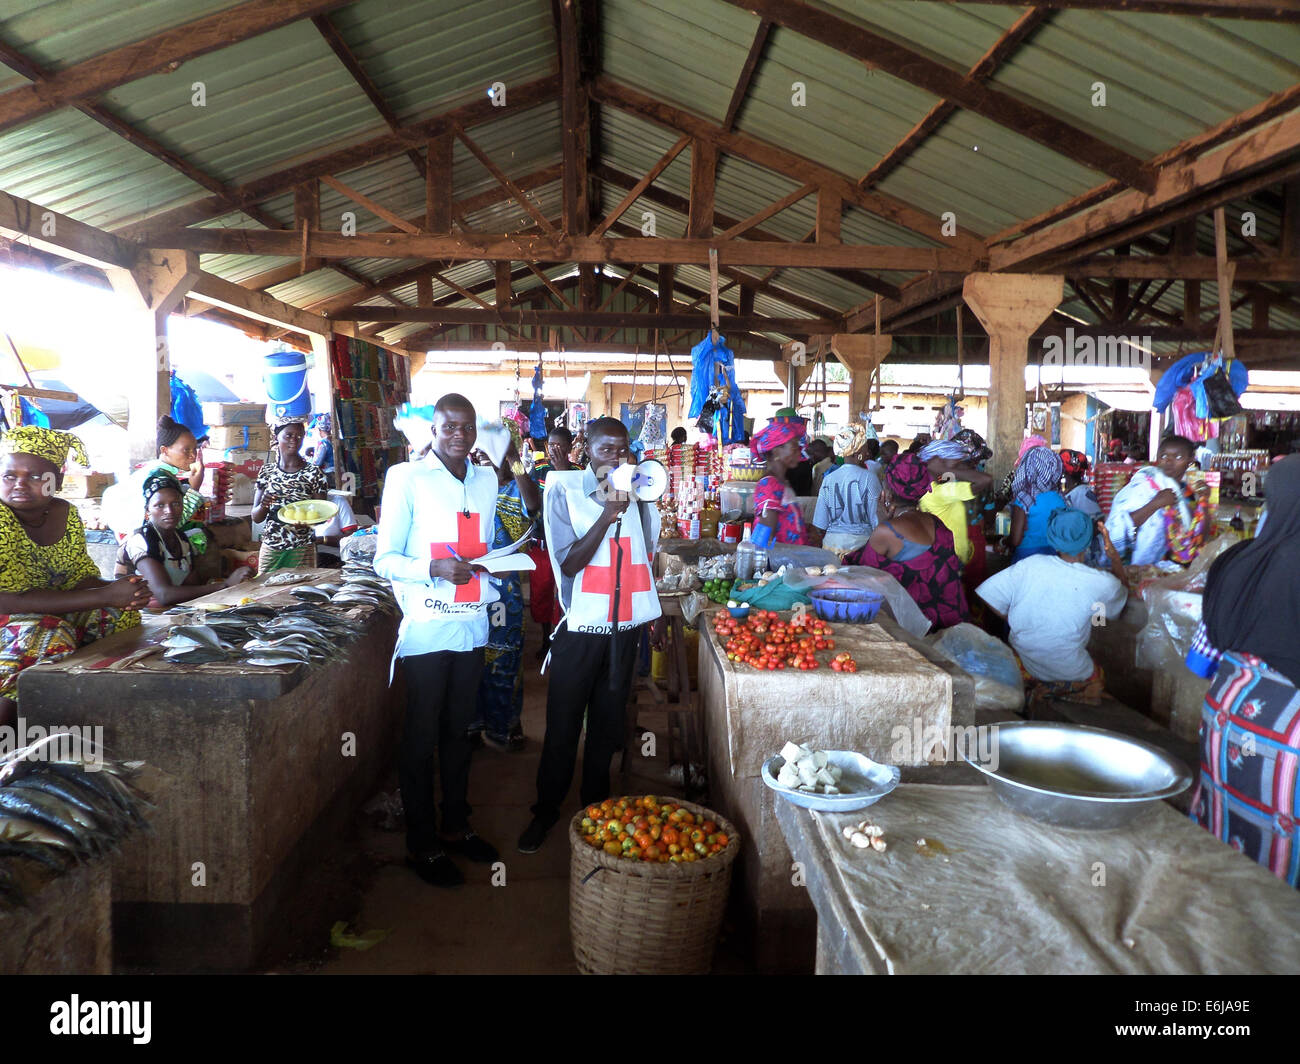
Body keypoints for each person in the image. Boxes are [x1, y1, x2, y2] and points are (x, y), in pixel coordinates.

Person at [518, 418, 666, 854]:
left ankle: (595, 812)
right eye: (606, 451)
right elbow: (567, 563)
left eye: (623, 451)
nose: (616, 460)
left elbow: (646, 558)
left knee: (605, 727)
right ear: (586, 448)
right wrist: (607, 514)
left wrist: (650, 616)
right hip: (581, 631)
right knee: (562, 726)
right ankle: (545, 811)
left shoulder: (642, 494)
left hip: (623, 633)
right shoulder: (565, 492)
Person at [374, 394, 501, 888]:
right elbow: (384, 559)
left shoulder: (487, 479)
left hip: (471, 623)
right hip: (428, 625)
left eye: (466, 427)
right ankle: (421, 844)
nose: (459, 435)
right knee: (421, 735)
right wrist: (432, 568)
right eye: (449, 426)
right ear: (433, 429)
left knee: (459, 732)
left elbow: (484, 546)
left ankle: (456, 825)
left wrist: (495, 564)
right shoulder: (407, 478)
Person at [1187, 456, 1300, 888]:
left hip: (1229, 718)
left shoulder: (1235, 560)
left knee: (1229, 836)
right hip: (1290, 738)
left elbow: (1200, 662)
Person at [0, 428, 150, 726]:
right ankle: (8, 727)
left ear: (55, 481)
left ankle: (88, 698)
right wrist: (104, 595)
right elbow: (9, 599)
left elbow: (77, 578)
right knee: (42, 635)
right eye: (9, 476)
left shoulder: (66, 514)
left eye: (34, 477)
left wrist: (122, 590)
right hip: (11, 614)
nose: (19, 484)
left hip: (45, 611)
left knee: (118, 617)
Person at [976, 507, 1127, 710]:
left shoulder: (1030, 565)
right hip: (1071, 671)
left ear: (1052, 538)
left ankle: (1033, 697)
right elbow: (1123, 594)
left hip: (1024, 666)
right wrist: (1115, 558)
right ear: (1088, 543)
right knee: (1098, 673)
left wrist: (1013, 619)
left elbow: (987, 594)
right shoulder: (1102, 582)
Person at [469, 419, 541, 752]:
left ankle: (504, 728)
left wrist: (513, 456)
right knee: (473, 657)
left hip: (503, 593)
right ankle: (475, 725)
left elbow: (534, 506)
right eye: (479, 451)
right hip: (469, 589)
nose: (483, 456)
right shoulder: (467, 486)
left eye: (490, 451)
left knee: (503, 659)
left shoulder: (516, 487)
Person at [845, 453, 968, 630]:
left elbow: (862, 576)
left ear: (887, 492)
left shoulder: (887, 531)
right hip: (948, 624)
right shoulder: (936, 522)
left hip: (912, 630)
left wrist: (881, 523)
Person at [115, 472, 252, 606]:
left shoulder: (182, 540)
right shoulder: (141, 541)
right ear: (147, 512)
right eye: (160, 505)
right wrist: (225, 585)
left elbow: (191, 586)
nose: (169, 511)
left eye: (175, 504)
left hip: (173, 609)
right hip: (144, 615)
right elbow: (164, 595)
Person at [1103, 434, 1210, 567]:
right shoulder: (1144, 484)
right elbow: (1119, 526)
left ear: (1190, 460)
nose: (1169, 462)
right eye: (1164, 456)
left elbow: (1198, 536)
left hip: (1168, 571)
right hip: (1135, 569)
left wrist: (1204, 500)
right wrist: (1155, 504)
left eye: (1178, 457)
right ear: (1157, 457)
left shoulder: (1186, 492)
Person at [252, 418, 330, 573]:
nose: (294, 440)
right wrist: (264, 505)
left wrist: (308, 522)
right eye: (288, 435)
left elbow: (322, 515)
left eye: (299, 436)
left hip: (302, 546)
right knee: (265, 591)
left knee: (300, 591)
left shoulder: (314, 473)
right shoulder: (267, 471)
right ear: (277, 437)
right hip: (272, 545)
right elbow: (256, 517)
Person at [528, 426, 573, 658]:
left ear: (570, 448)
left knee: (566, 595)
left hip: (569, 548)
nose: (554, 449)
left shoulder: (578, 472)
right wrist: (513, 460)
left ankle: (563, 641)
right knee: (542, 597)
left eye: (560, 445)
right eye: (551, 445)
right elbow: (523, 483)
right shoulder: (539, 469)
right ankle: (546, 640)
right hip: (541, 546)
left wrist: (563, 470)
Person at [918, 439, 993, 567]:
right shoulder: (940, 492)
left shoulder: (928, 484)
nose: (960, 466)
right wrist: (943, 468)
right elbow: (985, 479)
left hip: (942, 551)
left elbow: (946, 477)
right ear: (940, 462)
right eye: (957, 463)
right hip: (951, 556)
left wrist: (944, 469)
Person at [809, 422, 880, 554]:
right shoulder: (869, 478)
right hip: (861, 548)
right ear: (856, 452)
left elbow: (820, 522)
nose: (868, 452)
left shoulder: (829, 479)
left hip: (832, 547)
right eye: (864, 448)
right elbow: (876, 520)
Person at [750, 412, 811, 548]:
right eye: (794, 448)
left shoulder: (782, 483)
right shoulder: (769, 484)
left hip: (792, 560)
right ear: (776, 451)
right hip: (780, 564)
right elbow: (765, 532)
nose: (799, 452)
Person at [1007, 444, 1067, 564]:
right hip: (1052, 557)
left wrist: (1004, 542)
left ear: (1028, 467)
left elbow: (1015, 540)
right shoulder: (1060, 498)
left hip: (1026, 559)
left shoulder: (1024, 498)